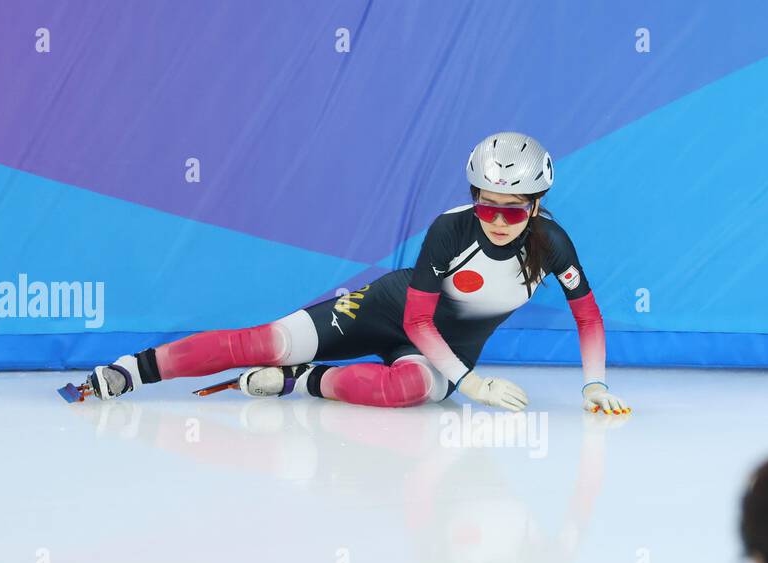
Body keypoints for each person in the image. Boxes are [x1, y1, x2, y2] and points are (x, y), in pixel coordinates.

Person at [71, 132, 629, 414]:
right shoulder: (451, 230)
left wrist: (596, 384)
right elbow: (416, 319)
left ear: (537, 205)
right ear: (473, 199)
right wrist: (472, 382)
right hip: (395, 310)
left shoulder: (552, 243)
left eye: (515, 209)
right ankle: (127, 372)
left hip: (440, 349)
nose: (500, 221)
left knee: (409, 390)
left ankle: (303, 380)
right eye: (488, 206)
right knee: (263, 341)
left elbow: (589, 319)